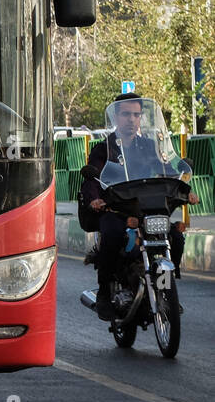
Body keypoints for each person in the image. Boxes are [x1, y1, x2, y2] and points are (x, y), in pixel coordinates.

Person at [80, 94, 196, 319]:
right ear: (116, 116)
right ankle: (104, 292)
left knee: (175, 236)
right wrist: (95, 199)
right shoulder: (104, 149)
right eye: (126, 114)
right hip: (116, 208)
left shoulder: (148, 146)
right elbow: (93, 178)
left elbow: (166, 171)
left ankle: (165, 291)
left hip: (145, 207)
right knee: (112, 234)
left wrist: (184, 189)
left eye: (136, 114)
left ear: (140, 116)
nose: (131, 119)